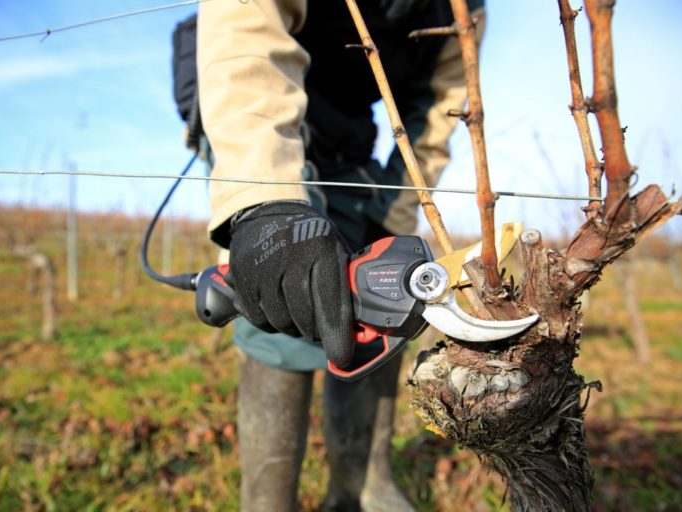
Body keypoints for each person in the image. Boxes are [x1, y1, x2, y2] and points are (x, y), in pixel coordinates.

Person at [191, 1, 485, 510]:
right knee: (281, 297)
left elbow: (437, 112)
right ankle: (267, 503)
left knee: (386, 311)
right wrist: (263, 198)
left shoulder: (465, 6)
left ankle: (361, 489)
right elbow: (243, 26)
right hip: (255, 115)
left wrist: (392, 215)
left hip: (349, 141)